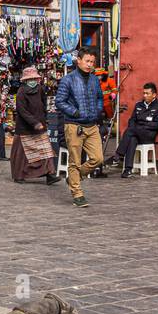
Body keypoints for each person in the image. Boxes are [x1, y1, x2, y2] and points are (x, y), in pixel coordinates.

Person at [54, 50, 105, 208]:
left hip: (92, 125)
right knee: (74, 161)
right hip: (74, 125)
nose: (90, 64)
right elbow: (59, 102)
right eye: (87, 61)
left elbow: (99, 98)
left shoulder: (95, 80)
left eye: (92, 62)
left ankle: (74, 177)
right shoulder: (67, 80)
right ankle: (77, 193)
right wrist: (75, 112)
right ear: (78, 60)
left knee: (98, 158)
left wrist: (97, 111)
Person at [10, 66, 57, 184]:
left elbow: (44, 103)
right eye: (30, 79)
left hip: (40, 126)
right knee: (22, 154)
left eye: (34, 79)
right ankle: (19, 175)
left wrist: (43, 119)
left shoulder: (40, 89)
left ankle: (50, 174)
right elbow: (22, 110)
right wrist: (34, 122)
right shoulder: (21, 91)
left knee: (46, 151)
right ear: (25, 80)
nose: (32, 81)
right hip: (24, 128)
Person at [115, 81, 158, 178]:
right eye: (144, 93)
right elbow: (132, 120)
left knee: (130, 131)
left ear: (154, 94)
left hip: (149, 135)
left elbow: (156, 125)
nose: (145, 95)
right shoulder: (139, 105)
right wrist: (136, 127)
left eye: (147, 93)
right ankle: (128, 170)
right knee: (132, 138)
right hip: (137, 132)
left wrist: (142, 127)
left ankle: (119, 154)